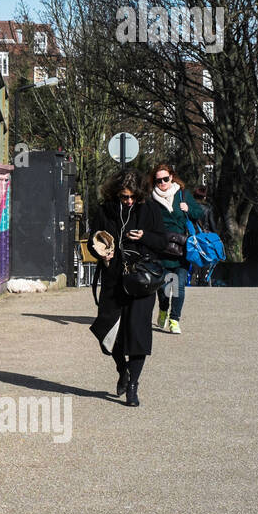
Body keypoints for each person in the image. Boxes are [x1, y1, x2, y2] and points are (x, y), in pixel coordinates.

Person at [87, 168, 169, 406]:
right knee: (106, 330)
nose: (129, 201)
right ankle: (122, 369)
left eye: (133, 196)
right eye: (124, 197)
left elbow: (163, 242)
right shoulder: (105, 210)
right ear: (116, 194)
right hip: (113, 279)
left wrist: (144, 236)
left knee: (138, 333)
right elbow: (93, 240)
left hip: (142, 280)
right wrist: (102, 252)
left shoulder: (151, 209)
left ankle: (133, 386)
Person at [148, 163, 203, 332]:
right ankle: (163, 309)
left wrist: (189, 209)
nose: (163, 182)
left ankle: (174, 320)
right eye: (159, 180)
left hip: (181, 249)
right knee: (164, 287)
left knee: (178, 286)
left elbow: (199, 213)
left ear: (171, 177)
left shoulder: (183, 194)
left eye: (165, 178)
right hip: (161, 249)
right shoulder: (151, 199)